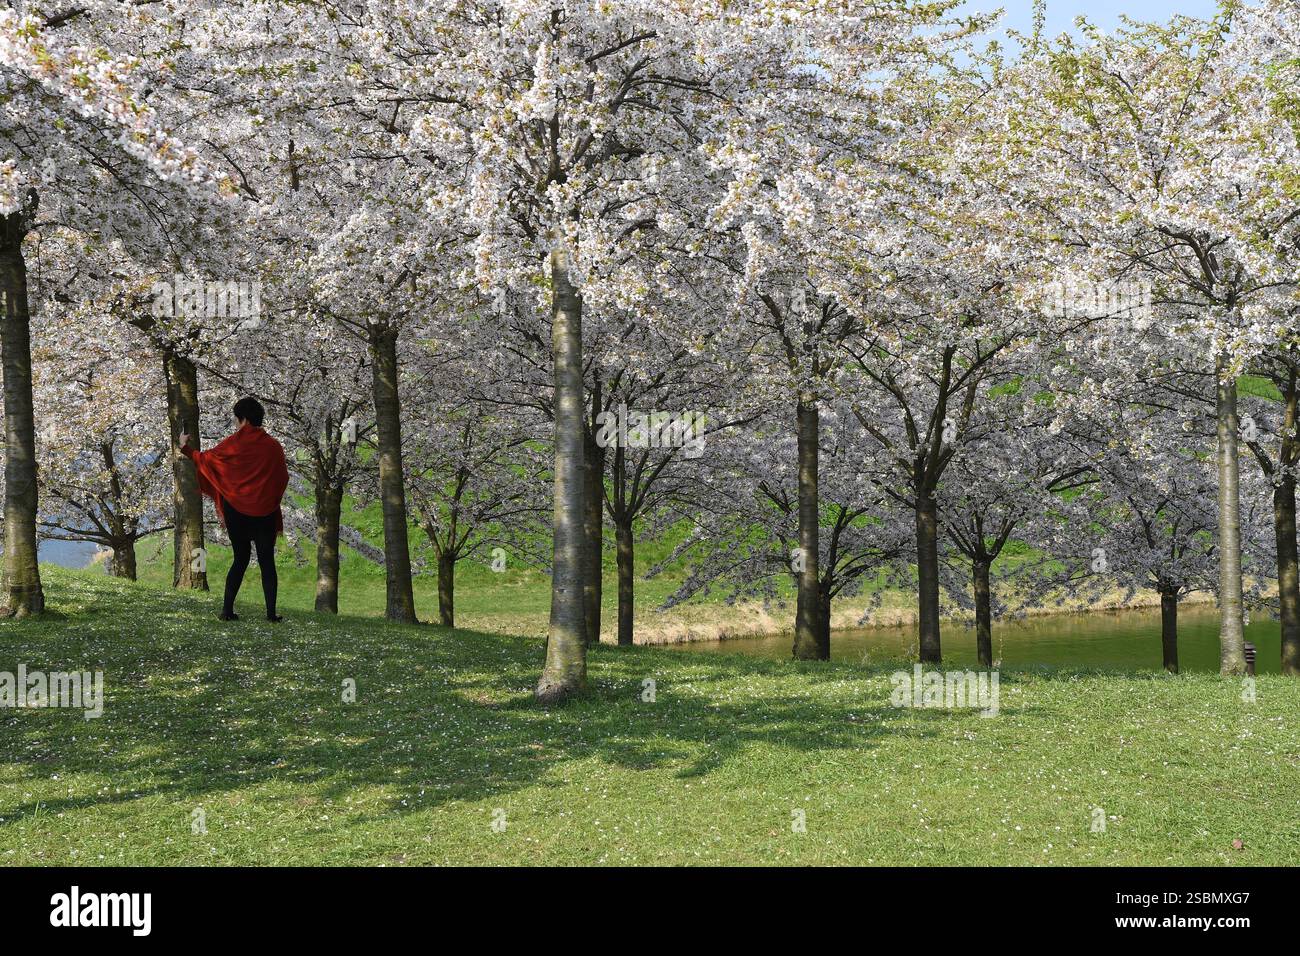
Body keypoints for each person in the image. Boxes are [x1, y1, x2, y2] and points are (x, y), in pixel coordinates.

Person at [179, 397, 290, 622]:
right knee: (267, 560)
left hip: (236, 511)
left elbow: (208, 460)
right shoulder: (273, 446)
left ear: (244, 419)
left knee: (240, 558)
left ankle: (227, 611)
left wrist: (185, 447)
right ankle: (271, 614)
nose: (236, 424)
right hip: (265, 511)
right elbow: (282, 477)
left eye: (237, 419)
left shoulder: (233, 443)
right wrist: (267, 498)